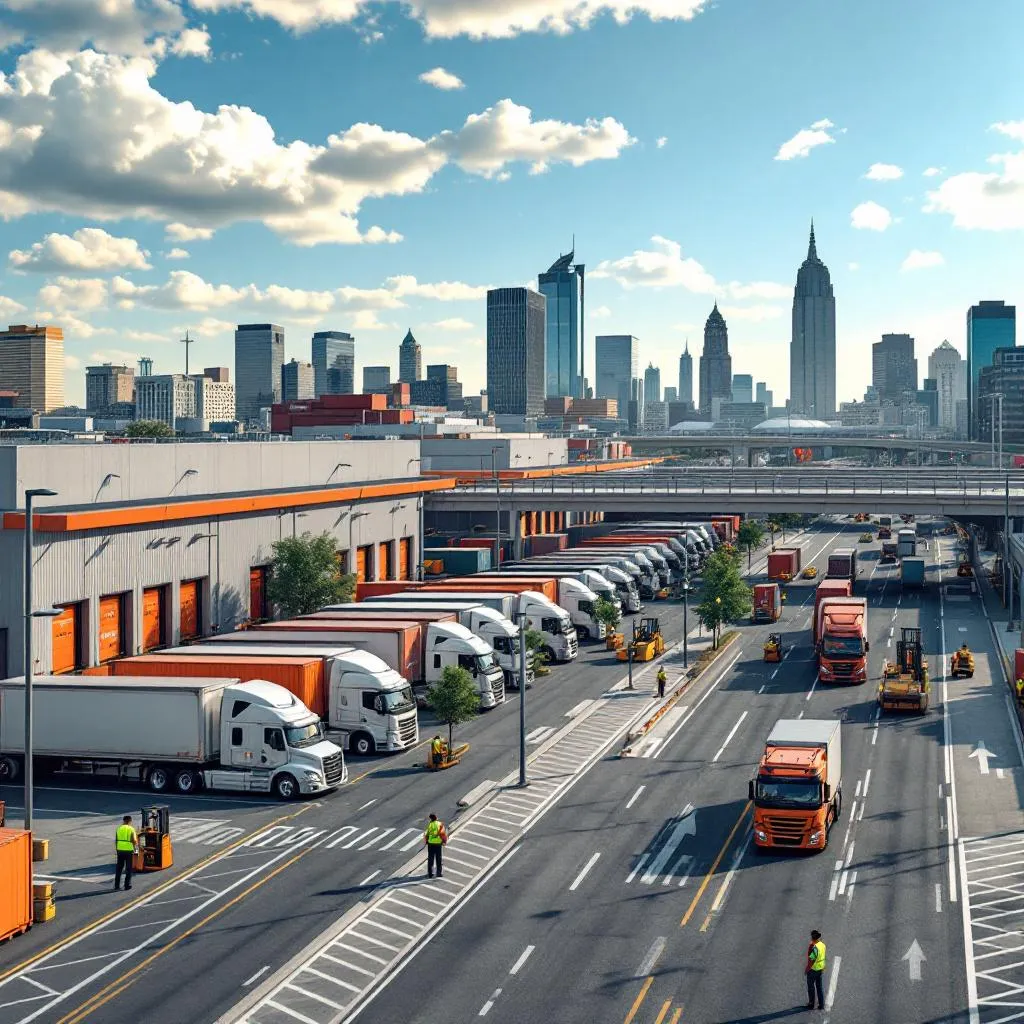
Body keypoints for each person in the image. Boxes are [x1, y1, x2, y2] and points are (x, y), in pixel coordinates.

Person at [114, 814, 138, 891]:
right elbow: (134, 840)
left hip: (120, 850)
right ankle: (127, 885)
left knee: (119, 868)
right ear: (130, 821)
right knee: (128, 868)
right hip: (129, 851)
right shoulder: (131, 829)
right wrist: (136, 847)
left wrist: (117, 849)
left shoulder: (119, 828)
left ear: (123, 821)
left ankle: (117, 885)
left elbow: (116, 840)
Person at [805, 929, 826, 1011]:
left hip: (813, 970)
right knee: (819, 987)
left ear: (813, 938)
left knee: (811, 987)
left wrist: (807, 969)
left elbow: (812, 959)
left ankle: (811, 1004)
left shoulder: (815, 948)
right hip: (820, 968)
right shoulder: (822, 945)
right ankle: (821, 1004)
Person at [424, 812, 446, 878]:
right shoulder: (440, 824)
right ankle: (439, 873)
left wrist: (426, 841)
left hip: (431, 843)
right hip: (438, 843)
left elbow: (427, 834)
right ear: (436, 817)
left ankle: (430, 873)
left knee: (430, 858)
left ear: (431, 818)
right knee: (438, 858)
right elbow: (443, 834)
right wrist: (444, 841)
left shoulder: (430, 825)